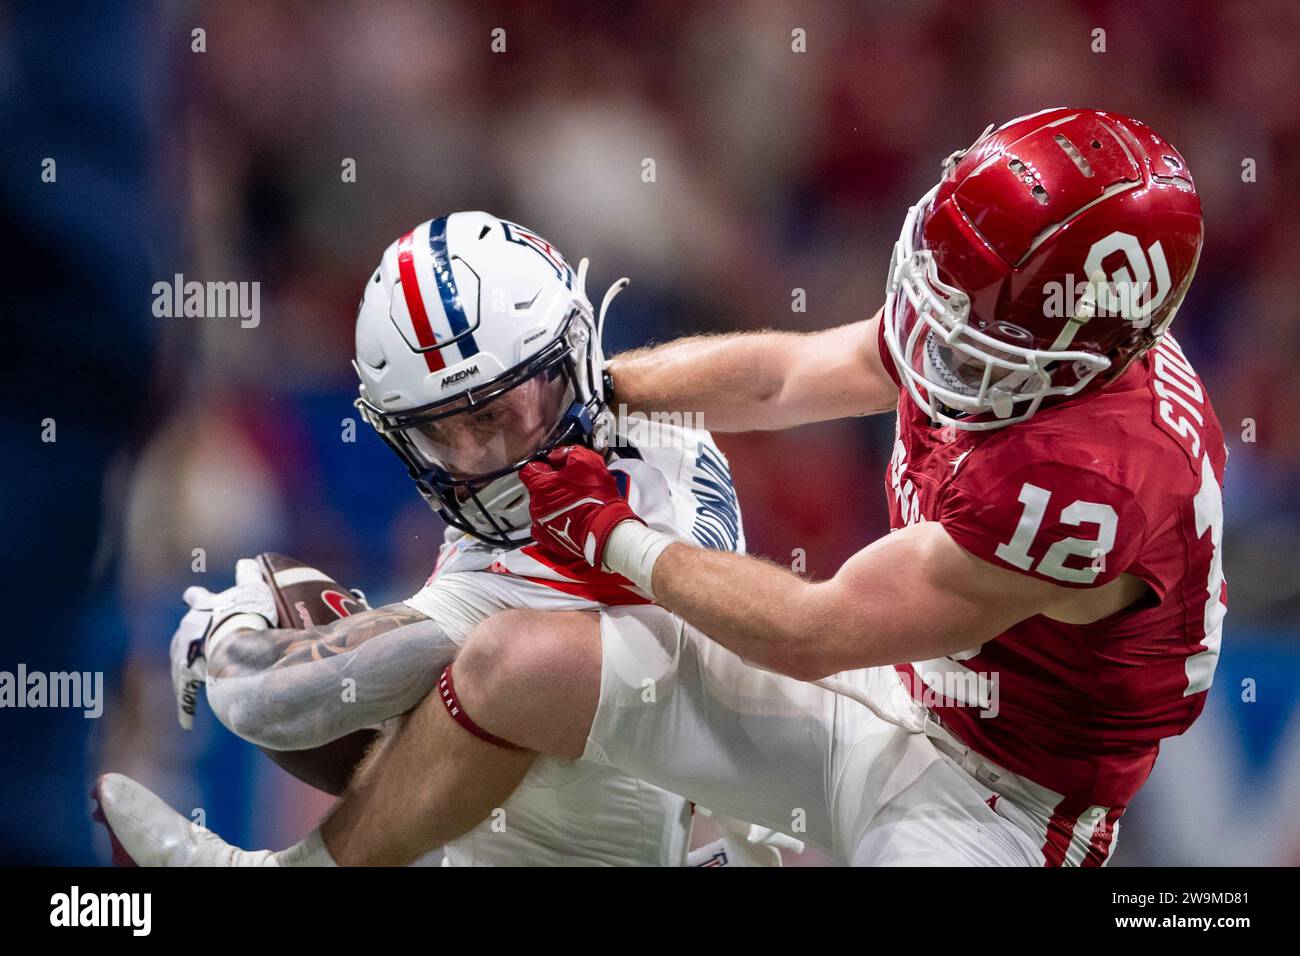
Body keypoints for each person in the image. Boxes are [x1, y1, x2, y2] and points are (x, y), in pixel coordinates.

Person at [98, 108, 1223, 866]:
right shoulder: (1014, 328)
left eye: (977, 343)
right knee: (515, 660)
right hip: (896, 697)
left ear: (1086, 355)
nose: (938, 348)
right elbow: (789, 372)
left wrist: (613, 531)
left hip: (996, 797)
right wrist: (586, 393)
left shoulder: (1088, 479)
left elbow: (821, 630)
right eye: (946, 304)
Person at [97, 212, 787, 866]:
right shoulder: (661, 436)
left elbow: (274, 699)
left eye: (498, 414)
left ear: (568, 361)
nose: (479, 460)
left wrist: (228, 632)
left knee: (498, 673)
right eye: (440, 432)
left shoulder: (555, 552)